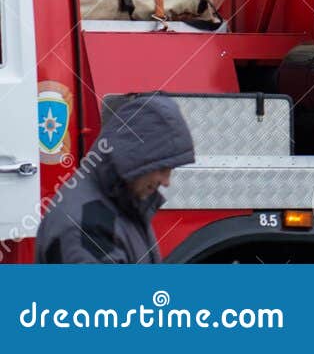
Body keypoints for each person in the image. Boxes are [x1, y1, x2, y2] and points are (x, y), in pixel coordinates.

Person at [36, 92, 195, 263]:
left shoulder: (122, 203)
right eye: (162, 169)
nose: (166, 182)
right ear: (136, 158)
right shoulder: (87, 228)